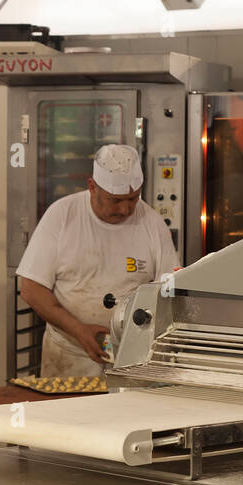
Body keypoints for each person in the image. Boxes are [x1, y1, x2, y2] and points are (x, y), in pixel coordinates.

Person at [16, 143, 179, 378]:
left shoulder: (152, 223)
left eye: (133, 198)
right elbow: (31, 289)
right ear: (92, 187)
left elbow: (168, 291)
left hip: (131, 358)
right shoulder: (63, 215)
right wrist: (78, 331)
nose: (125, 209)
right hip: (69, 355)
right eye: (115, 200)